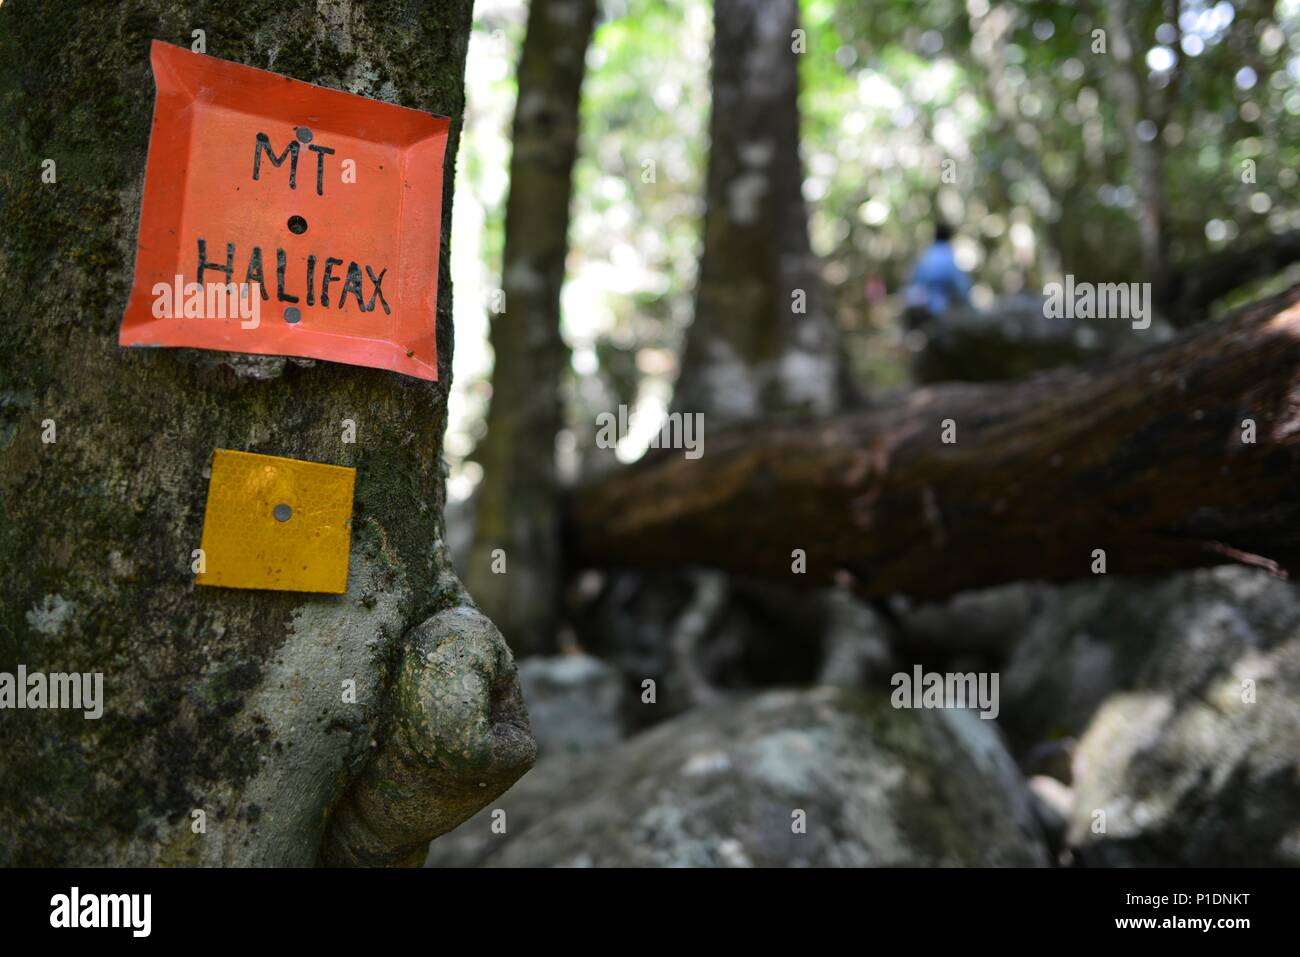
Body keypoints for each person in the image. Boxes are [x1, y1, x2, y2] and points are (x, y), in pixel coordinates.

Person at [903, 222, 971, 327]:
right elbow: (960, 284)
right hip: (939, 308)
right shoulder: (948, 255)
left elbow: (914, 278)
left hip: (920, 305)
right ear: (949, 237)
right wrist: (967, 302)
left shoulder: (927, 253)